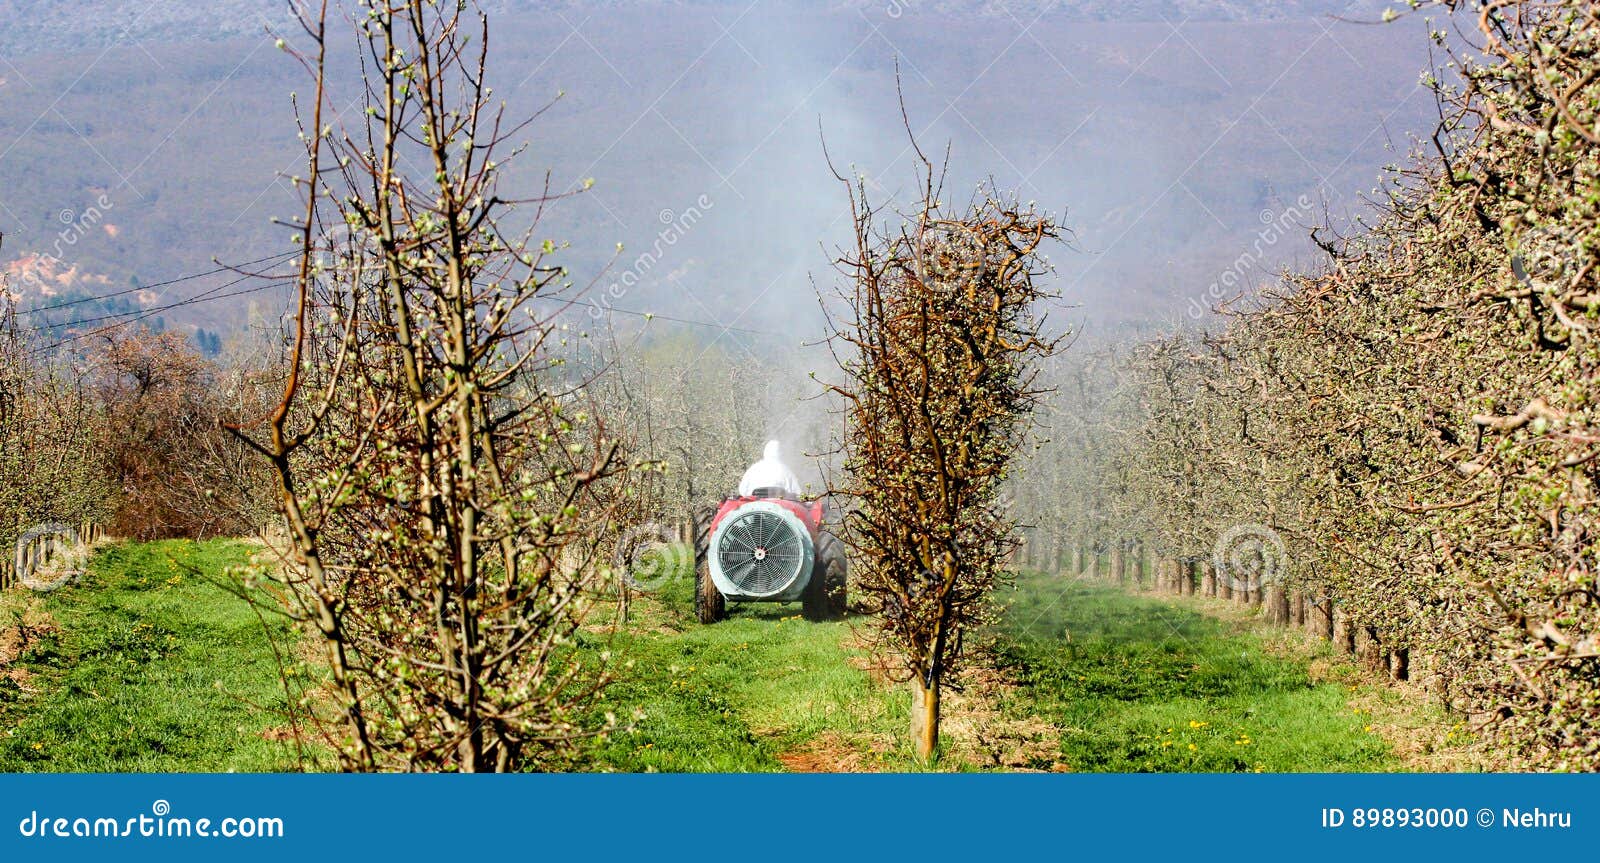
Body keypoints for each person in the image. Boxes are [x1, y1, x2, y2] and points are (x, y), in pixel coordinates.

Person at [737, 439, 802, 498]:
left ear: (765, 452)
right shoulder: (786, 471)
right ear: (781, 454)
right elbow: (798, 493)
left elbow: (742, 491)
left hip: (754, 506)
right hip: (779, 506)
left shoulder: (753, 469)